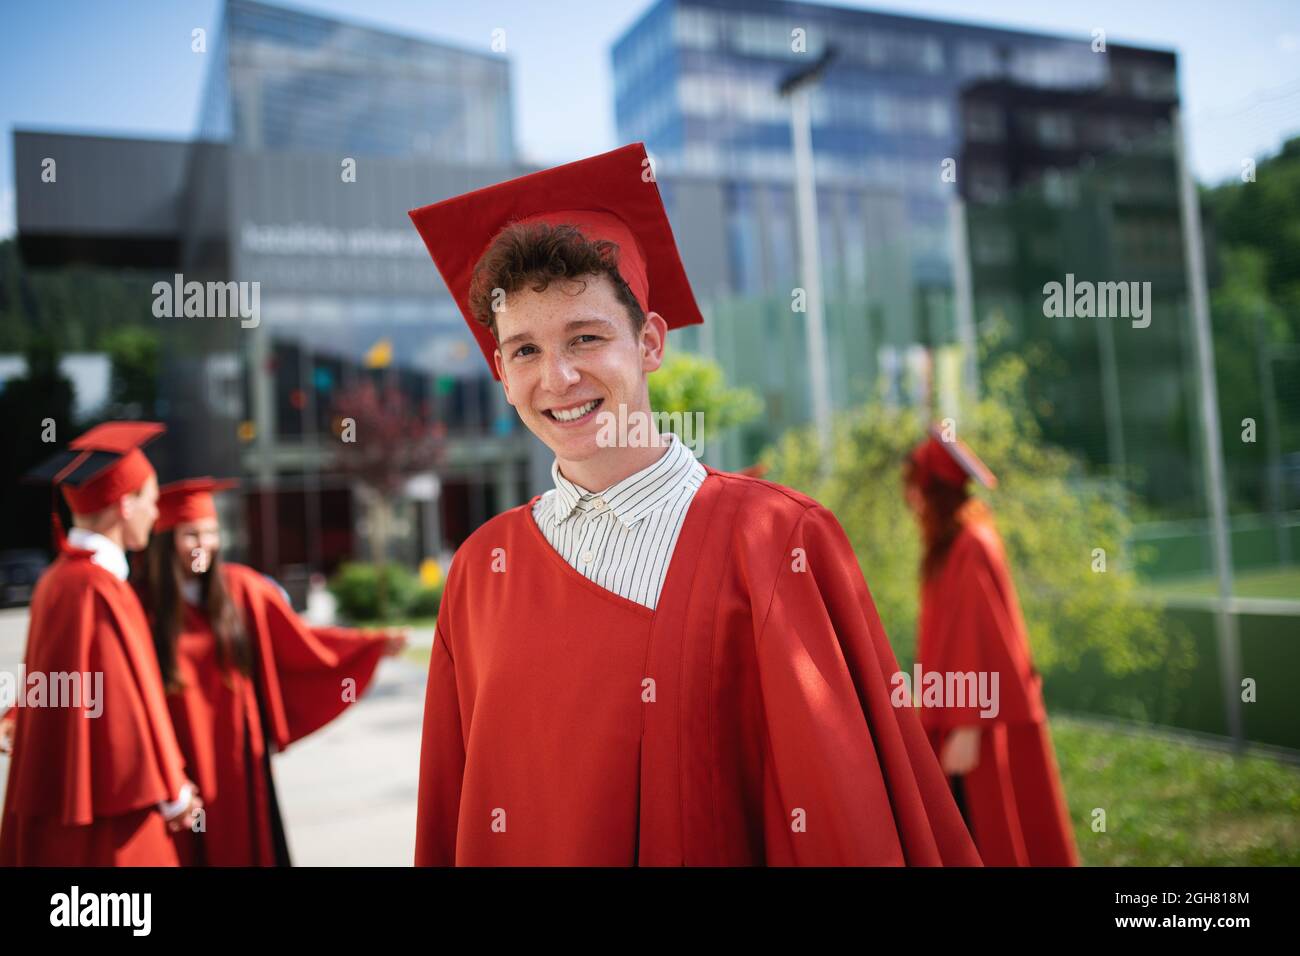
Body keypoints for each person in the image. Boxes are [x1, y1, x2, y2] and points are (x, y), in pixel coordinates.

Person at [406, 142, 981, 866]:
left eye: (587, 337)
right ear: (500, 370)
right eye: (524, 350)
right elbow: (452, 809)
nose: (558, 376)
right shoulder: (479, 572)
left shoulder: (775, 537)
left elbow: (843, 808)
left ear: (650, 343)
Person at [134, 477, 406, 866]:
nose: (203, 545)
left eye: (210, 533)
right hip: (178, 754)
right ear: (163, 541)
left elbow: (304, 642)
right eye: (190, 534)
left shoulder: (241, 590)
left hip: (237, 756)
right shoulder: (141, 604)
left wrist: (370, 644)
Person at [0, 422, 201, 865]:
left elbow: (51, 678)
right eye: (150, 501)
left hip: (62, 796)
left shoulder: (57, 579)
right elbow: (126, 706)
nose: (156, 514)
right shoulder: (100, 588)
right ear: (125, 504)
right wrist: (173, 790)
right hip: (112, 811)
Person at [904, 427, 1079, 866]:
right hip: (960, 712)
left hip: (977, 723)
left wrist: (967, 727)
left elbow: (982, 636)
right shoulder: (954, 544)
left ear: (933, 490)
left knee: (987, 832)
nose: (911, 501)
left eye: (915, 489)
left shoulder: (971, 545)